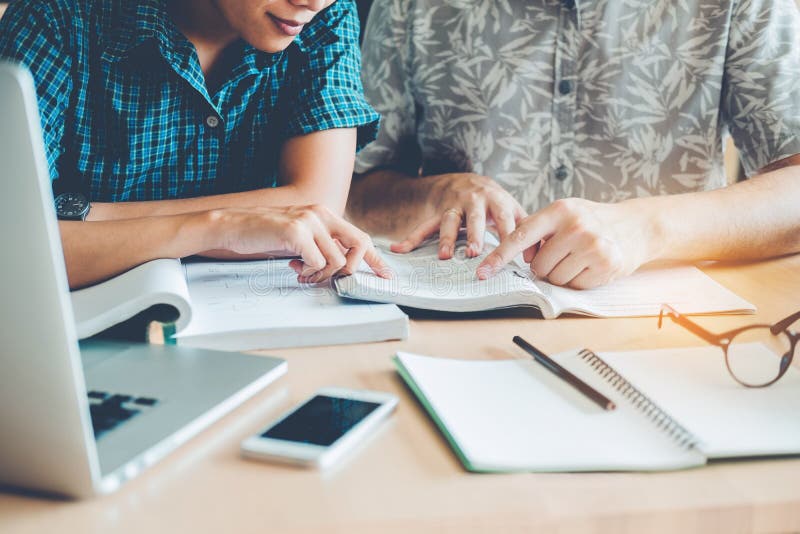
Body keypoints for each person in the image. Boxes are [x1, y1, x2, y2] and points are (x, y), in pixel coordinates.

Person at [348, 0, 800, 289]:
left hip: (670, 318)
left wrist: (645, 228)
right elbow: (356, 189)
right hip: (463, 310)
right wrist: (434, 194)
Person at [0, 0, 390, 288]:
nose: (313, 2)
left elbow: (315, 205)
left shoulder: (326, 19)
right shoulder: (56, 17)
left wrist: (84, 218)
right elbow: (13, 246)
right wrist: (216, 228)